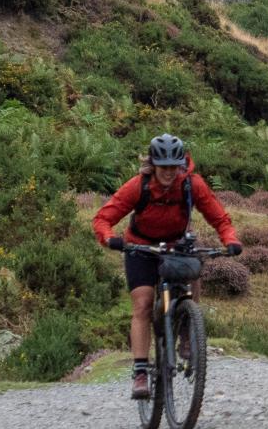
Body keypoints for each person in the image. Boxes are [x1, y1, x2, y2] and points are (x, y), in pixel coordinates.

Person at [93, 133, 241, 398]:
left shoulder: (191, 184)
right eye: (164, 167)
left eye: (174, 166)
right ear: (153, 165)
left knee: (193, 269)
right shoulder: (138, 186)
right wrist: (110, 238)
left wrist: (230, 239)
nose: (169, 172)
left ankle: (187, 329)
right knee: (142, 304)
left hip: (176, 245)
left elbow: (219, 217)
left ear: (181, 164)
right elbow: (103, 218)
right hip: (140, 247)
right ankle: (140, 371)